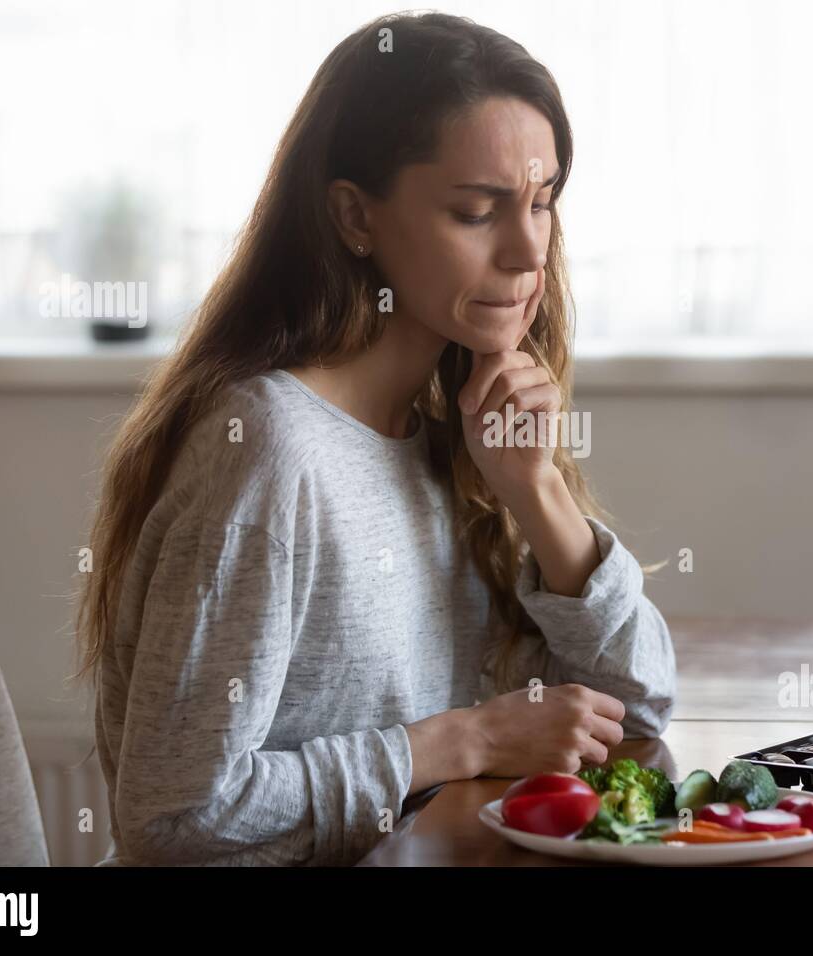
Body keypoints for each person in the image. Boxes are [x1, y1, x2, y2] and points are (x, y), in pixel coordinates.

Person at [73, 10, 676, 866]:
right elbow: (174, 817)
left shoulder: (447, 441)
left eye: (542, 205)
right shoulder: (270, 452)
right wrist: (458, 743)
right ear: (356, 217)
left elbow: (639, 706)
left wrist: (536, 493)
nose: (526, 250)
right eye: (477, 212)